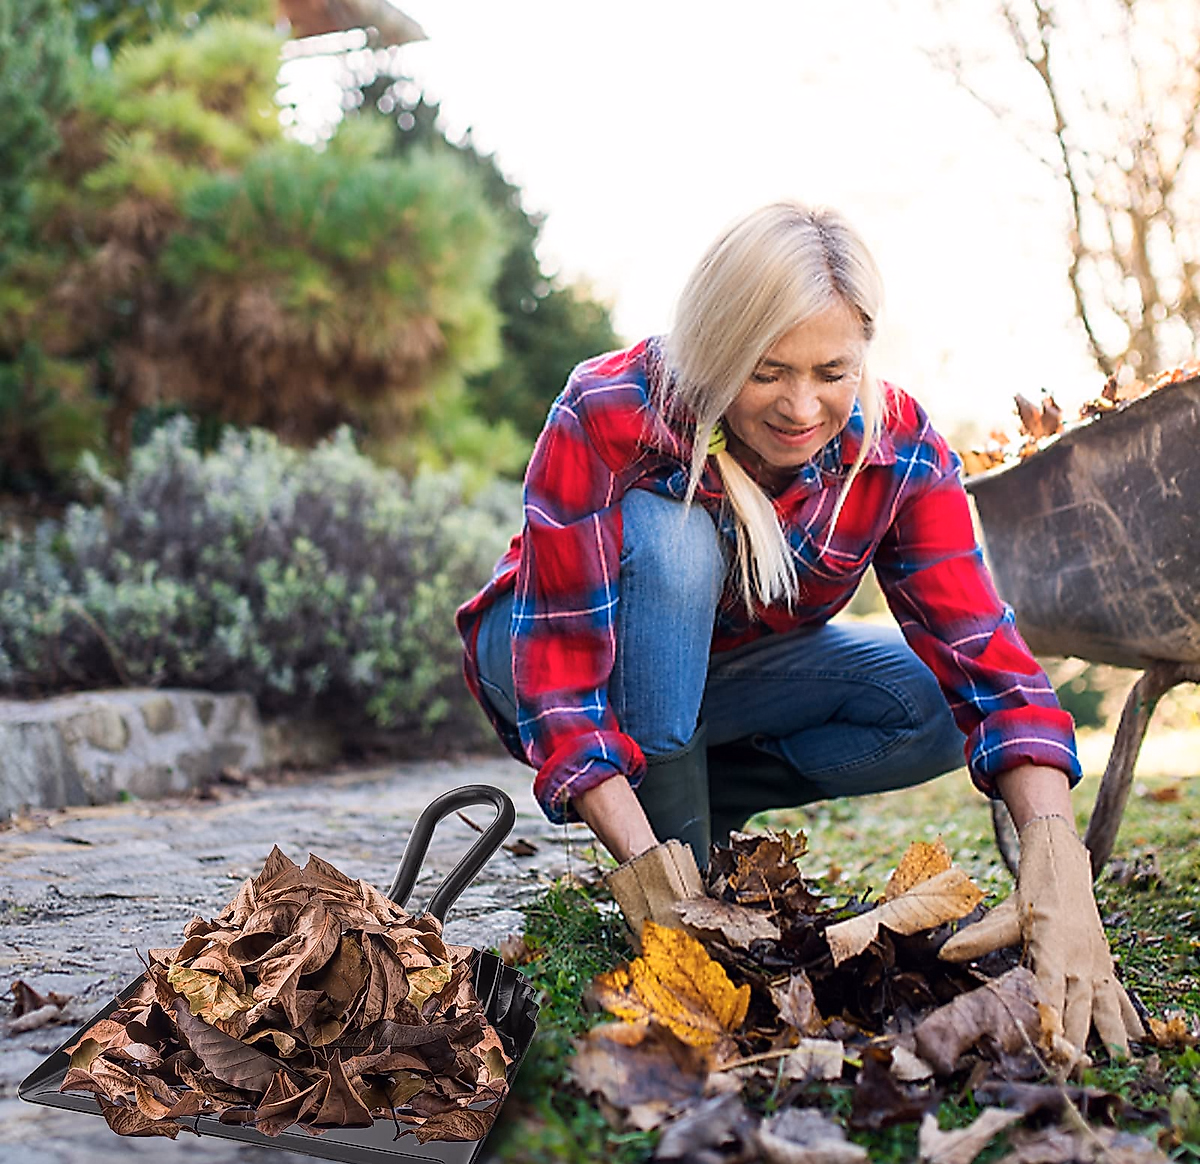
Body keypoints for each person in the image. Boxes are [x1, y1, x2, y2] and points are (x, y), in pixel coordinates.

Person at [455, 201, 1143, 1057]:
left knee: (929, 698)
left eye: (831, 371)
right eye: (767, 370)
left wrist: (1055, 858)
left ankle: (688, 808)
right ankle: (670, 857)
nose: (801, 405)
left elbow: (987, 661)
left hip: (717, 681)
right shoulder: (614, 408)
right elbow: (558, 674)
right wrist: (655, 887)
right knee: (675, 547)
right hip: (545, 653)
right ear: (716, 346)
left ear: (864, 353)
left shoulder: (897, 452)